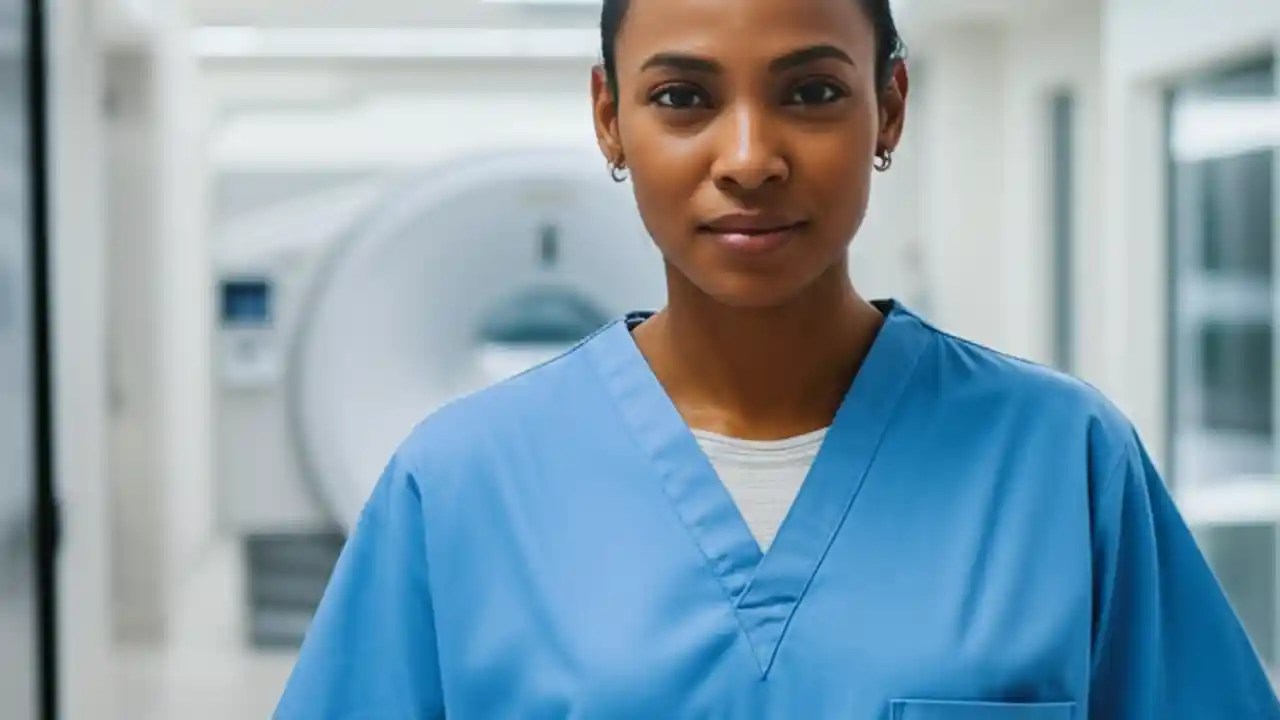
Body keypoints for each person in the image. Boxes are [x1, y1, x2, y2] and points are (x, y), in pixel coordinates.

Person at [275, 0, 1280, 716]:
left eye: (808, 90)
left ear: (887, 107)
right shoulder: (458, 484)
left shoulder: (1063, 461)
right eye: (680, 96)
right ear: (607, 118)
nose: (749, 157)